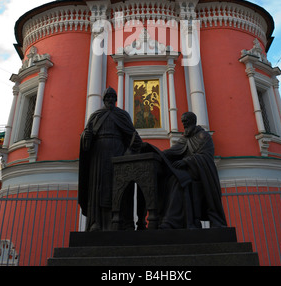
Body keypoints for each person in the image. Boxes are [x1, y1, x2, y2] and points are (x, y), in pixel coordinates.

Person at [78, 87, 143, 231]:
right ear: (104, 99)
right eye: (108, 97)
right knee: (99, 187)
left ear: (116, 99)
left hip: (118, 155)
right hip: (99, 156)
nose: (110, 100)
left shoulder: (122, 115)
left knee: (119, 188)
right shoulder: (96, 115)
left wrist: (129, 152)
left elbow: (134, 136)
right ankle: (96, 222)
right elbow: (86, 137)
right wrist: (85, 138)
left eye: (113, 97)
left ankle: (120, 222)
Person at [158, 111, 227, 229]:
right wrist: (157, 153)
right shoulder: (185, 139)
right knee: (169, 179)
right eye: (182, 122)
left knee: (179, 180)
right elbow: (172, 151)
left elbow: (205, 156)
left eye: (186, 121)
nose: (184, 124)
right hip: (188, 172)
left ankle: (172, 220)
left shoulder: (203, 136)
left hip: (201, 173)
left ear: (193, 121)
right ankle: (176, 220)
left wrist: (186, 161)